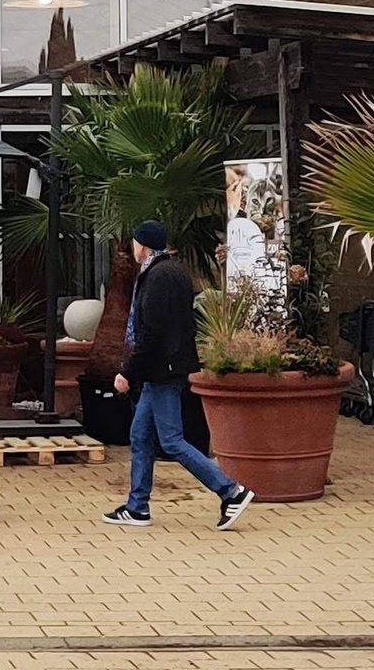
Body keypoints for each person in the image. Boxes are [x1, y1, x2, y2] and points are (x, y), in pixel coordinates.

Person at [103, 220, 255, 531]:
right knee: (140, 435)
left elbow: (152, 332)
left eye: (134, 243)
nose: (132, 248)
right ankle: (137, 507)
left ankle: (230, 491)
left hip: (162, 369)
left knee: (171, 440)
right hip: (162, 368)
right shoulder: (172, 271)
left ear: (143, 245)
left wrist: (127, 372)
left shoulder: (158, 277)